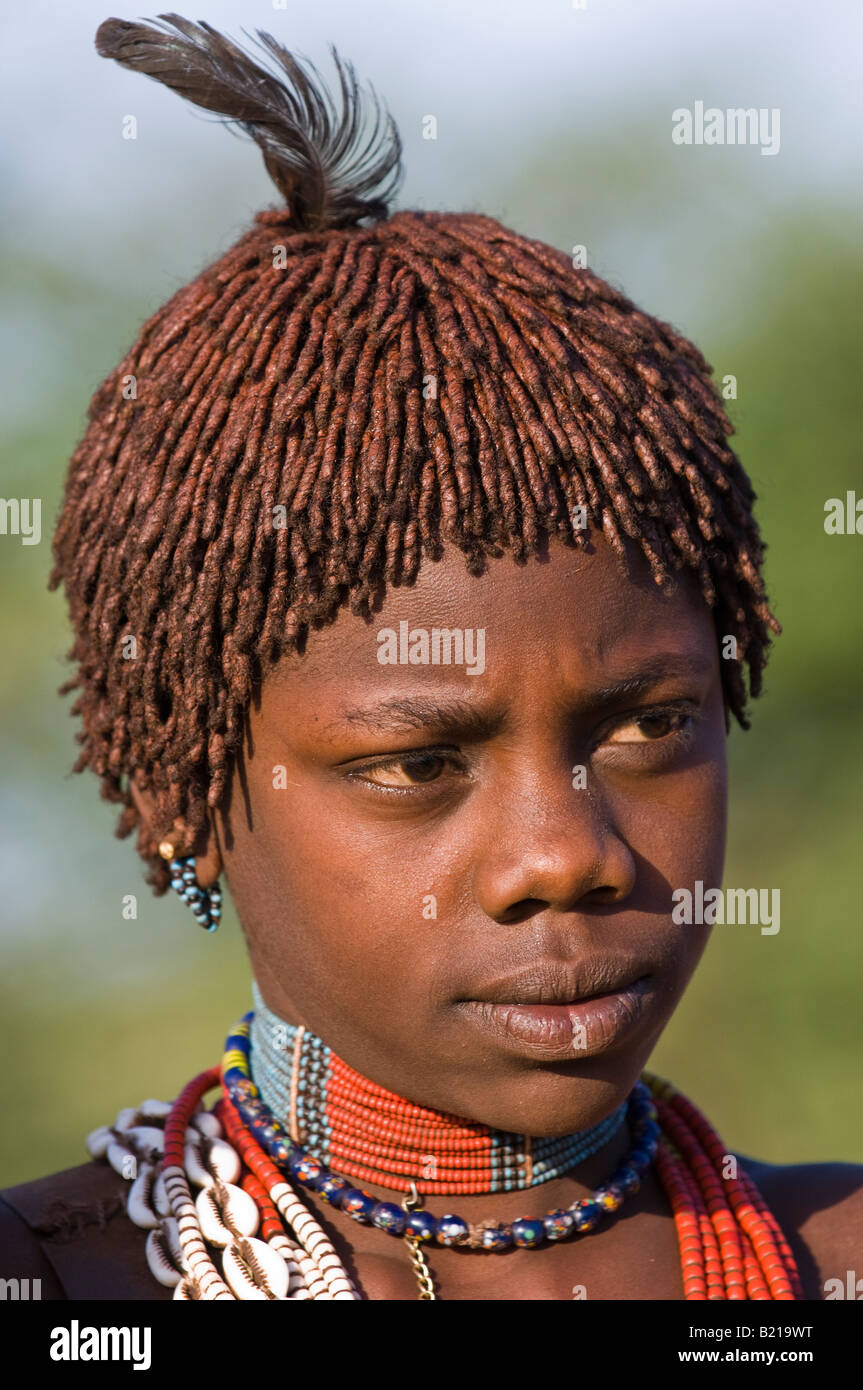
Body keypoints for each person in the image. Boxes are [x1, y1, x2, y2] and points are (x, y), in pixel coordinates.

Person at [1, 13, 859, 1302]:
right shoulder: (69, 1289)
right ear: (180, 793)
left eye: (649, 727)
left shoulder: (833, 1264)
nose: (568, 857)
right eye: (417, 762)